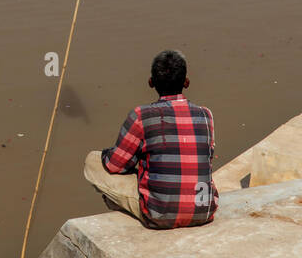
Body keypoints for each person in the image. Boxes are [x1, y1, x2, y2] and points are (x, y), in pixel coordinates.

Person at [83, 50, 218, 229]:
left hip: (158, 215)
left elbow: (114, 165)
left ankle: (121, 205)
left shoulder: (141, 115)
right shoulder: (205, 114)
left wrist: (110, 155)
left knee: (92, 160)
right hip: (204, 211)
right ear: (186, 83)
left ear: (151, 82)